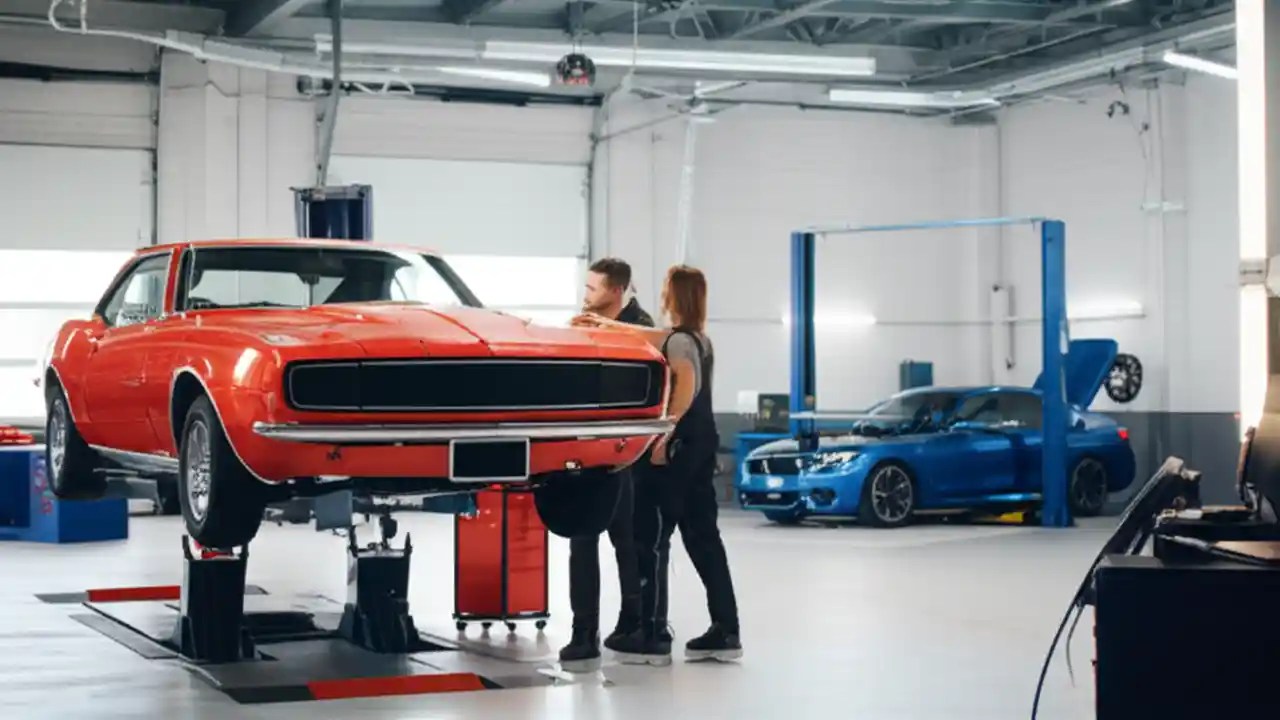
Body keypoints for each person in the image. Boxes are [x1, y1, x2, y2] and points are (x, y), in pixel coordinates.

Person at [573, 265, 742, 666]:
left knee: (649, 538)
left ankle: (651, 636)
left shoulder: (682, 344)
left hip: (679, 452)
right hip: (703, 449)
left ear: (675, 295)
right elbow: (652, 337)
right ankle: (727, 629)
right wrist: (600, 323)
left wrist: (663, 436)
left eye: (667, 289)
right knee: (704, 541)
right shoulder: (697, 339)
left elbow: (685, 389)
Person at [558, 258, 655, 672]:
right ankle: (585, 632)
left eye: (593, 288)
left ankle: (632, 623)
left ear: (617, 291)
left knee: (629, 543)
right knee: (582, 539)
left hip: (628, 453)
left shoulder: (641, 329)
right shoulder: (582, 324)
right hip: (586, 450)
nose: (586, 294)